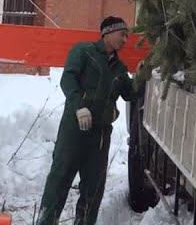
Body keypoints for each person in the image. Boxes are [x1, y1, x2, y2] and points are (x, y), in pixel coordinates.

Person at [35, 16, 135, 225]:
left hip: (99, 137)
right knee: (59, 180)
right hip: (74, 131)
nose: (125, 40)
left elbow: (130, 94)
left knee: (93, 189)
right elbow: (68, 79)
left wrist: (144, 76)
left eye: (126, 36)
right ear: (107, 33)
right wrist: (79, 106)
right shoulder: (83, 51)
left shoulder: (119, 68)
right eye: (122, 34)